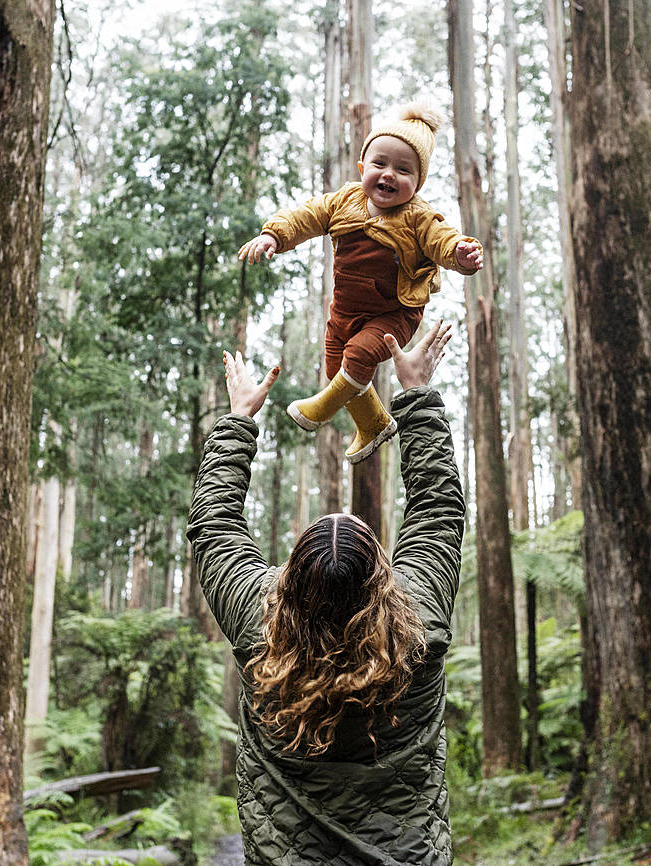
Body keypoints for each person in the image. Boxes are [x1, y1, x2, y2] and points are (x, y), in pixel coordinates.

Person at [187, 322, 464, 865]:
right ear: (383, 576)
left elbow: (214, 526)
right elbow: (437, 511)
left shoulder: (258, 622)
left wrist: (240, 419)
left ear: (289, 580)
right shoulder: (418, 621)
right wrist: (416, 396)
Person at [238, 103, 484, 464]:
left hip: (394, 313)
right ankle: (373, 424)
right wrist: (274, 236)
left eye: (403, 170)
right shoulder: (345, 200)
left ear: (417, 183)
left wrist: (460, 254)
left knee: (359, 356)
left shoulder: (418, 215)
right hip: (345, 310)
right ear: (362, 168)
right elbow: (306, 216)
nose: (389, 175)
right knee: (336, 366)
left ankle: (322, 406)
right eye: (380, 164)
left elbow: (442, 239)